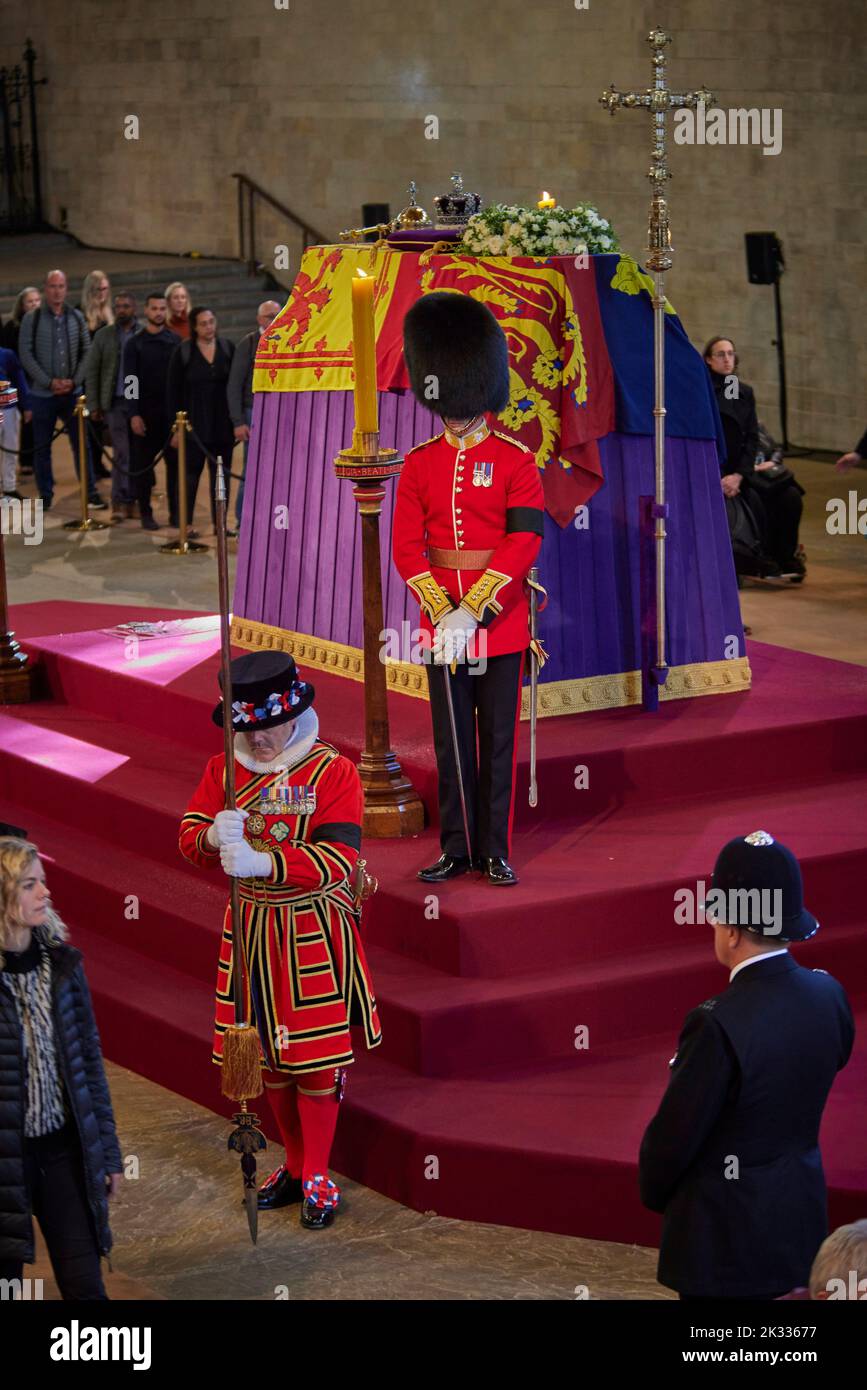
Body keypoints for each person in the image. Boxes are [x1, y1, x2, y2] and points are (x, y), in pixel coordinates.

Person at [179, 652, 381, 1229]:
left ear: (293, 714)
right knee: (266, 1060)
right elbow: (188, 836)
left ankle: (317, 1170)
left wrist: (267, 861)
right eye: (247, 730)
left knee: (315, 1063)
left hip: (308, 932)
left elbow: (341, 861)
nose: (259, 742)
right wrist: (212, 836)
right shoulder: (223, 769)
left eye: (267, 728)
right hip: (247, 933)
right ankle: (293, 1165)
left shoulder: (332, 772)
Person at [639, 830, 855, 1300]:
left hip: (723, 1246)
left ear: (732, 930)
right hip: (800, 1226)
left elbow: (672, 1143)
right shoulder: (829, 995)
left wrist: (657, 1195)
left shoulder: (715, 1024)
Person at [393, 292, 544, 887]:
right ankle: (456, 847)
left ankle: (494, 850)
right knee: (451, 742)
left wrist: (474, 610)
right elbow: (407, 547)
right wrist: (442, 611)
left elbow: (523, 542)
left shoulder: (515, 459)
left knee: (497, 742)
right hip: (442, 623)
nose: (454, 413)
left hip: (499, 625)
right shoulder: (421, 462)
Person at [0, 836, 123, 1298]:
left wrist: (107, 1151)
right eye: (30, 885)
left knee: (85, 1286)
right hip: (4, 1162)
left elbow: (88, 1062)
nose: (45, 893)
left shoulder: (64, 965)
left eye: (43, 883)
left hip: (62, 1153)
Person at [704, 337, 804, 581]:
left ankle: (785, 555)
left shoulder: (743, 391)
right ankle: (757, 558)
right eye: (720, 354)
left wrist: (740, 474)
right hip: (716, 472)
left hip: (741, 470)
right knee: (754, 502)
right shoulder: (702, 391)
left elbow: (751, 437)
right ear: (708, 359)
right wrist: (723, 476)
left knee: (789, 497)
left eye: (730, 353)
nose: (727, 359)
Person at [17, 270, 105, 512]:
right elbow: (26, 353)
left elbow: (88, 351)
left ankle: (91, 492)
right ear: (46, 288)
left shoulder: (76, 317)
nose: (57, 291)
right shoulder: (32, 319)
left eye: (61, 286)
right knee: (42, 447)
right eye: (53, 286)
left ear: (66, 289)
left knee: (82, 445)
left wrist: (74, 380)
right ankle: (45, 494)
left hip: (72, 394)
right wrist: (48, 382)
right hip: (42, 395)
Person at [166, 306, 236, 536]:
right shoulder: (184, 352)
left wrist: (237, 421)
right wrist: (176, 429)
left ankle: (220, 523)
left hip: (222, 426)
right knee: (190, 476)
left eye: (211, 322)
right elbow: (173, 391)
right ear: (195, 327)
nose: (209, 327)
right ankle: (185, 523)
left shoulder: (227, 348)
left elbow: (235, 386)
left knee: (222, 477)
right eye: (204, 323)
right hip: (193, 427)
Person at [124, 294, 180, 531]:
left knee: (175, 469)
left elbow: (180, 382)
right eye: (154, 308)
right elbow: (130, 381)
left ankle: (177, 514)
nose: (158, 312)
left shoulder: (175, 341)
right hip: (144, 417)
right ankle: (145, 512)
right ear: (146, 311)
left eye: (162, 308)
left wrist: (180, 418)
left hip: (170, 418)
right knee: (143, 469)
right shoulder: (134, 344)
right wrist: (133, 413)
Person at [226, 299, 282, 528]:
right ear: (260, 319)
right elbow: (234, 385)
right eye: (270, 316)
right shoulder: (248, 344)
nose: (275, 320)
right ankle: (242, 520)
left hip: (277, 411)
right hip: (253, 411)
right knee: (251, 467)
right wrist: (238, 421)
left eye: (278, 315)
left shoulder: (286, 341)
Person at [85, 291, 139, 521]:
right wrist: (95, 403)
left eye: (126, 306)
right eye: (118, 306)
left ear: (133, 308)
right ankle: (119, 499)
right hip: (115, 402)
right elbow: (93, 370)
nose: (121, 310)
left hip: (136, 402)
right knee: (121, 452)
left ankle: (134, 500)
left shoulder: (142, 333)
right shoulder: (104, 336)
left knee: (137, 454)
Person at [0, 342, 31, 500]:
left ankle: (10, 487)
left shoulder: (7, 354)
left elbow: (19, 379)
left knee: (11, 448)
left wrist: (26, 406)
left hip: (9, 408)